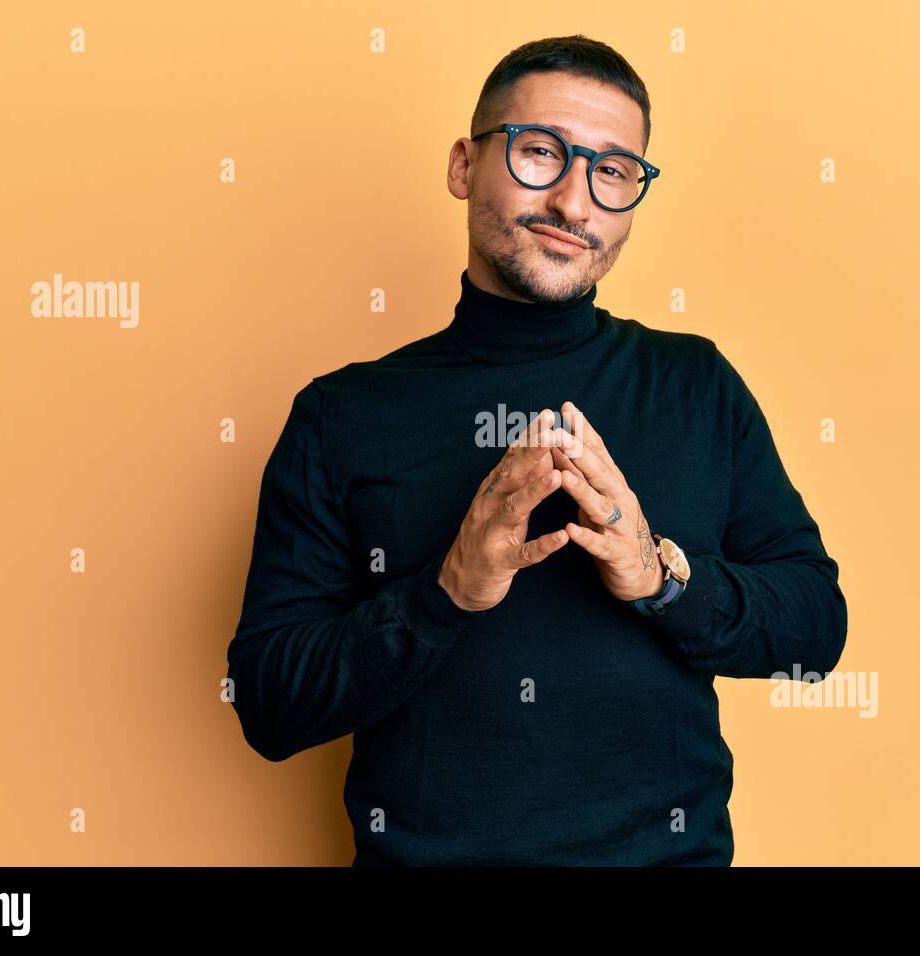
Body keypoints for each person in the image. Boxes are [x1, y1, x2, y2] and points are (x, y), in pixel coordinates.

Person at [226, 34, 848, 866]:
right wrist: (445, 594)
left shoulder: (695, 385)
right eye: (541, 152)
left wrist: (661, 578)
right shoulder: (344, 415)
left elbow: (815, 630)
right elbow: (268, 704)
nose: (574, 202)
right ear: (463, 165)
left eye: (614, 170)